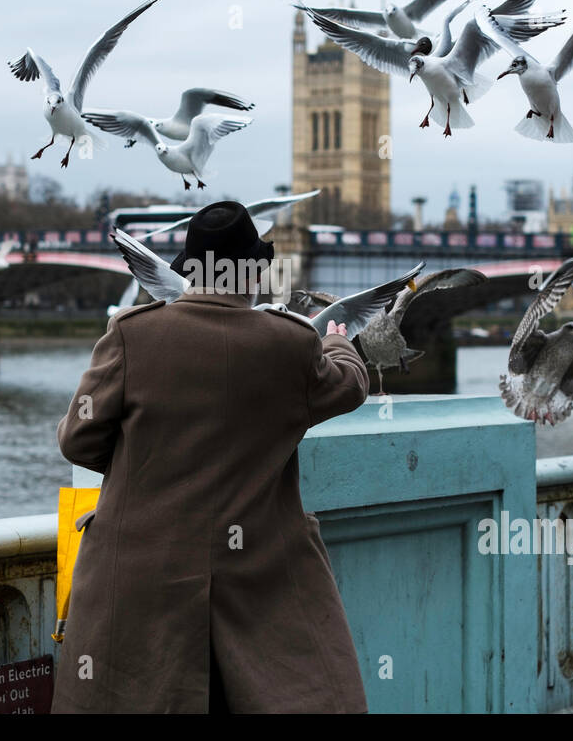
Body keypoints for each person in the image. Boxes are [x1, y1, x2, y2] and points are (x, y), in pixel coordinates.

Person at [52, 200, 370, 713]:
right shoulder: (289, 345)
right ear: (254, 271)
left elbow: (79, 443)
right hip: (259, 581)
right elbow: (350, 388)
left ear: (188, 269)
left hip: (141, 577)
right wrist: (337, 343)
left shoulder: (133, 334)